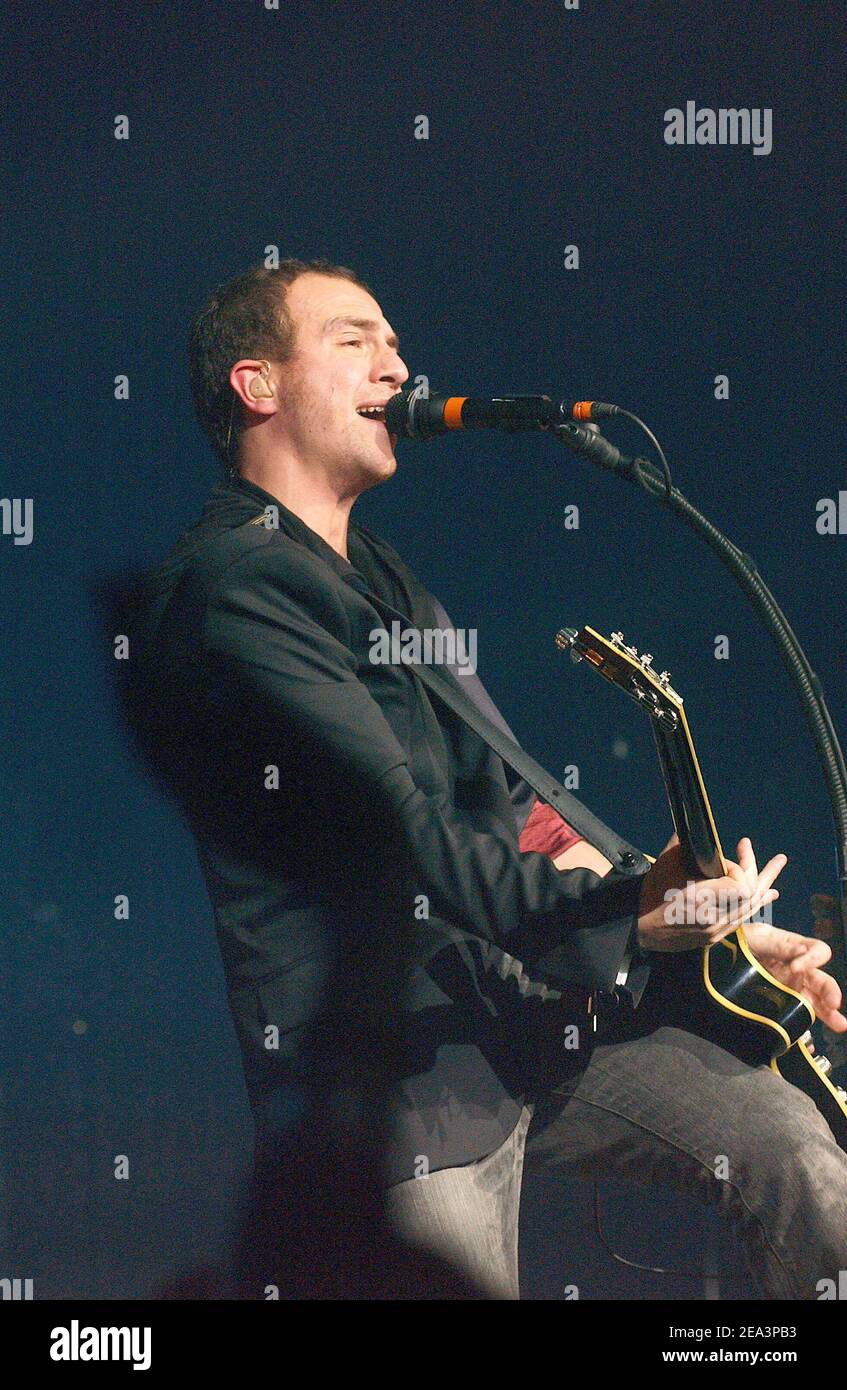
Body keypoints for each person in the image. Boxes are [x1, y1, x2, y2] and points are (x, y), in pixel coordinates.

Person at [130, 258, 847, 1299]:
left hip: (524, 1014)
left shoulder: (381, 575)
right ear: (259, 386)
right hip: (404, 1076)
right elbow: (406, 840)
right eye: (355, 339)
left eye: (394, 340)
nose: (399, 363)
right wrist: (640, 921)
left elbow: (514, 808)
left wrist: (709, 926)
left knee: (799, 1150)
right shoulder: (236, 588)